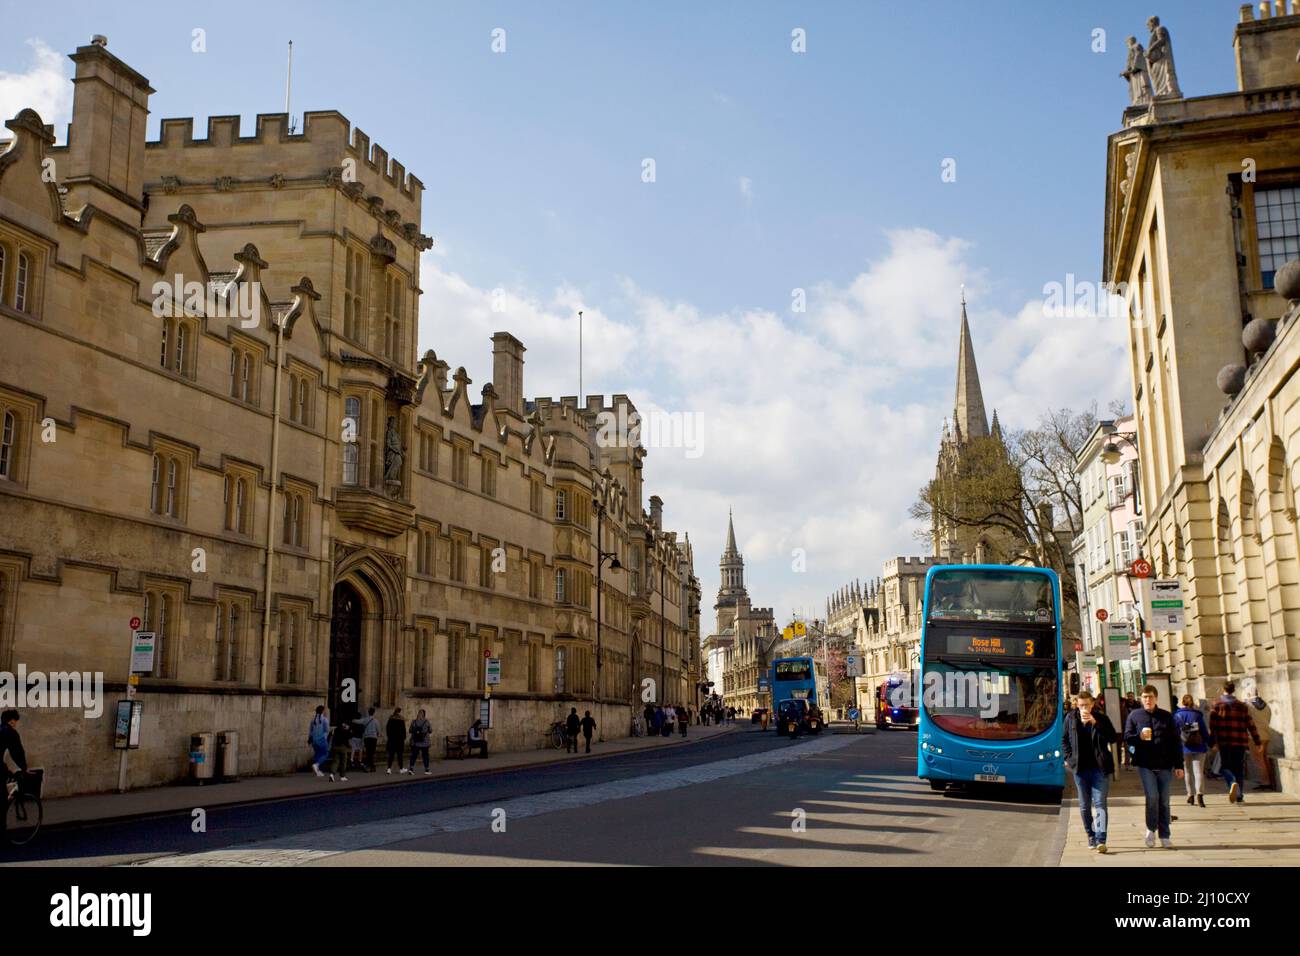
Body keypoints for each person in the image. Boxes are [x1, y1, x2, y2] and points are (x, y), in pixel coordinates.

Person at [1124, 685, 1184, 848]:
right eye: (1144, 697)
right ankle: (1151, 830)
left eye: (1150, 697)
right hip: (1145, 764)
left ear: (1156, 698)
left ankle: (1165, 835)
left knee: (1164, 800)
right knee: (1152, 797)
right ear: (1141, 699)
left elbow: (1176, 742)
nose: (1147, 700)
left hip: (1165, 764)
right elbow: (1128, 738)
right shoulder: (1134, 715)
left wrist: (1179, 765)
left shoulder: (1166, 716)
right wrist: (1139, 737)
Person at [1062, 691, 1116, 853]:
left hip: (1100, 768)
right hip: (1080, 769)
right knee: (1085, 806)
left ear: (1092, 704)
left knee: (1100, 803)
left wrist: (1095, 723)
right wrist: (1069, 759)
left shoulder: (1101, 718)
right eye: (1081, 705)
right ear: (1076, 705)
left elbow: (1112, 738)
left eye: (1087, 705)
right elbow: (1064, 739)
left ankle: (1101, 839)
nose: (1084, 708)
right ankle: (1090, 835)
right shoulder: (1070, 718)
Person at [1209, 680, 1262, 804]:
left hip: (1224, 741)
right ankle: (1239, 795)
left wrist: (1212, 742)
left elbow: (1213, 726)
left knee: (1225, 767)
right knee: (1238, 768)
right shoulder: (1242, 706)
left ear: (1223, 689)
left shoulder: (1217, 705)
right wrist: (1257, 742)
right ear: (1234, 690)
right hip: (1240, 741)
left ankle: (1232, 783)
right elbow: (1250, 724)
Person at [1173, 694, 1211, 807]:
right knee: (1198, 772)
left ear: (1182, 703)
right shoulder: (1197, 715)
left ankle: (1190, 795)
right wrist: (1210, 743)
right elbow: (1204, 732)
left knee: (1187, 772)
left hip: (1184, 747)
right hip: (1199, 747)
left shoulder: (1177, 716)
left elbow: (1174, 733)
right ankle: (1200, 794)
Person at [1, 709, 28, 846]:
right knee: (2, 800)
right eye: (15, 722)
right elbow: (17, 752)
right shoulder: (10, 733)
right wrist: (22, 769)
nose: (15, 724)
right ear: (11, 721)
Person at [307, 705, 330, 778]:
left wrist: (310, 738)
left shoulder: (313, 719)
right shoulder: (325, 720)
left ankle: (317, 771)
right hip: (322, 739)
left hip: (314, 740)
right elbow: (327, 730)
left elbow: (310, 730)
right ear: (323, 711)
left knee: (317, 754)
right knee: (325, 753)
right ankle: (317, 765)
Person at [407, 709, 432, 774]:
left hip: (416, 742)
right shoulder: (426, 722)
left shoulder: (414, 722)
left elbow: (410, 730)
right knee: (425, 756)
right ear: (424, 714)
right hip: (425, 743)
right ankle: (426, 770)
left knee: (414, 756)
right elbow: (430, 730)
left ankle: (411, 769)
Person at [328, 714, 352, 782]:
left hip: (335, 747)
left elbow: (329, 737)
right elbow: (349, 736)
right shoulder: (344, 729)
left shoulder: (334, 730)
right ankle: (342, 776)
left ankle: (332, 774)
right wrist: (348, 729)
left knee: (335, 761)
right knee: (343, 762)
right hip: (342, 747)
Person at [385, 707, 406, 774]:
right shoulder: (401, 720)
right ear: (399, 712)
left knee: (391, 755)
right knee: (400, 755)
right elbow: (403, 731)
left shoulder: (391, 719)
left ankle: (389, 768)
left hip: (392, 740)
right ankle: (401, 768)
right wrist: (403, 738)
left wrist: (389, 737)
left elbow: (387, 729)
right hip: (399, 740)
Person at [361, 706, 381, 772]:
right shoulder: (376, 721)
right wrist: (377, 735)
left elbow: (363, 729)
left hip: (367, 738)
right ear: (374, 713)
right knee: (372, 752)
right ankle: (370, 766)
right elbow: (378, 731)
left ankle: (369, 766)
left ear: (368, 712)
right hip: (373, 738)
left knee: (368, 752)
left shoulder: (365, 720)